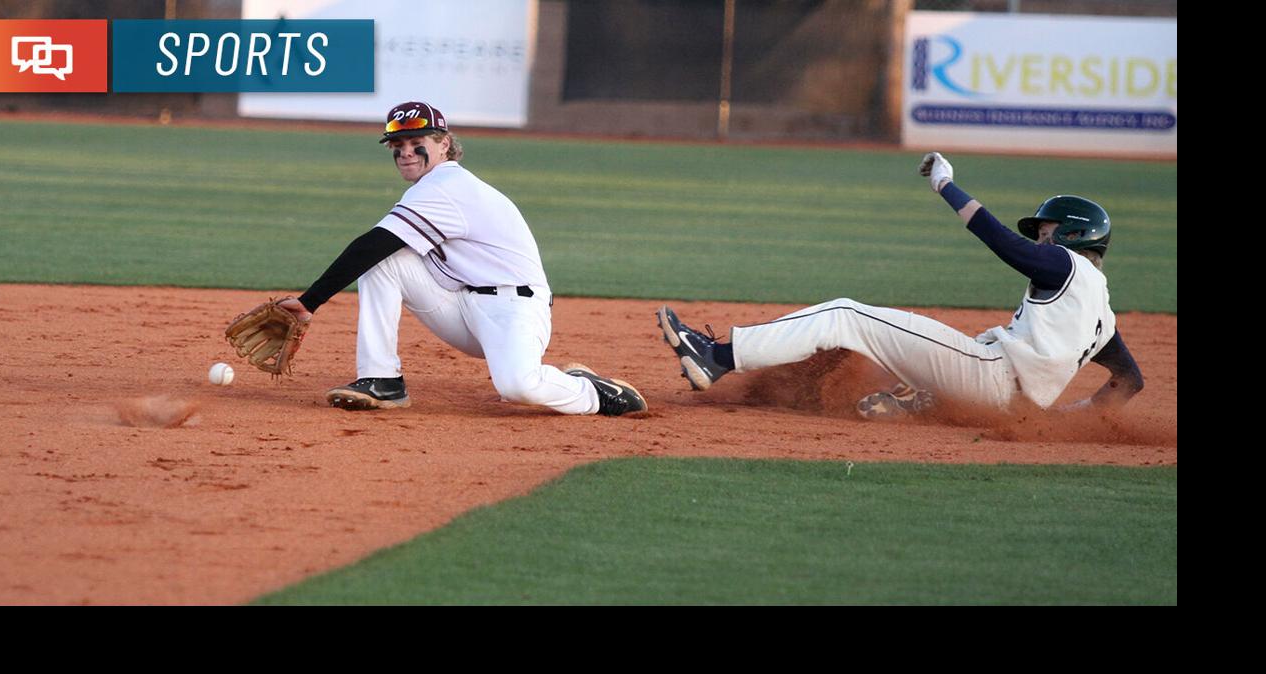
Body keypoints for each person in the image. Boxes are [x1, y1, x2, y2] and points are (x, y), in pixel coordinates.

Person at [656, 152, 1143, 418]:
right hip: (1005, 402)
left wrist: (946, 187)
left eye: (1047, 229)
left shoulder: (1065, 265)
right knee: (918, 349)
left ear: (1074, 235)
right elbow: (1130, 381)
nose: (1041, 236)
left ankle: (716, 359)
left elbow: (999, 241)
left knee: (847, 314)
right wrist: (1067, 418)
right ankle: (912, 403)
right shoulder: (1103, 313)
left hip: (989, 375)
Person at [273, 101, 647, 416]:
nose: (405, 151)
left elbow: (372, 242)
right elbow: (377, 251)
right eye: (397, 144)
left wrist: (310, 301)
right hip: (463, 305)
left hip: (514, 308)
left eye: (416, 142)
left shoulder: (447, 186)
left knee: (519, 387)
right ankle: (382, 378)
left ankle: (595, 393)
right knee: (383, 263)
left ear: (444, 144)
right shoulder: (429, 188)